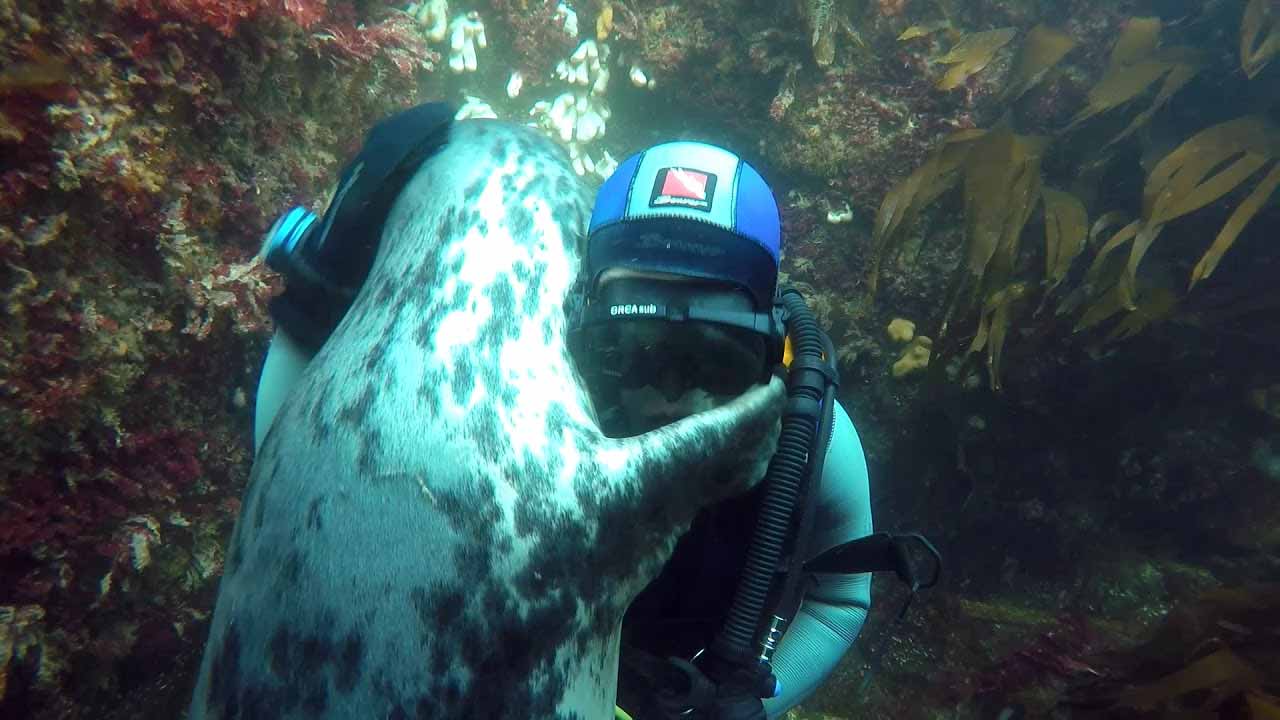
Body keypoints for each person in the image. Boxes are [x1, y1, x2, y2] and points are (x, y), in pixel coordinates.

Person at [567, 141, 874, 720]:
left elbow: (840, 595)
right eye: (631, 353)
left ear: (767, 344)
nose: (669, 398)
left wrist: (753, 701)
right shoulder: (533, 407)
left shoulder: (811, 438)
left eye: (715, 357)